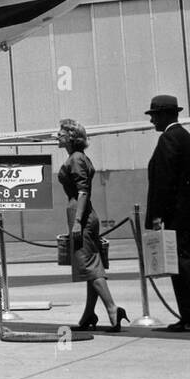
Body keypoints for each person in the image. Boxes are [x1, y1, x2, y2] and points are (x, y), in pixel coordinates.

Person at [144, 94, 190, 332]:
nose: (152, 120)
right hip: (186, 217)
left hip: (176, 218)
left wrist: (156, 216)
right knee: (188, 265)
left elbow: (163, 183)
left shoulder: (169, 139)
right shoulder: (185, 138)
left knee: (183, 267)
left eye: (154, 116)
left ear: (165, 115)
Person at [56, 119, 124, 331]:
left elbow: (83, 190)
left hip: (81, 214)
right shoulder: (78, 157)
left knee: (89, 265)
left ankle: (113, 309)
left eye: (61, 133)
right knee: (92, 265)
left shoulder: (75, 159)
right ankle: (88, 314)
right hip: (84, 213)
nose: (57, 136)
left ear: (71, 137)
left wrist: (77, 221)